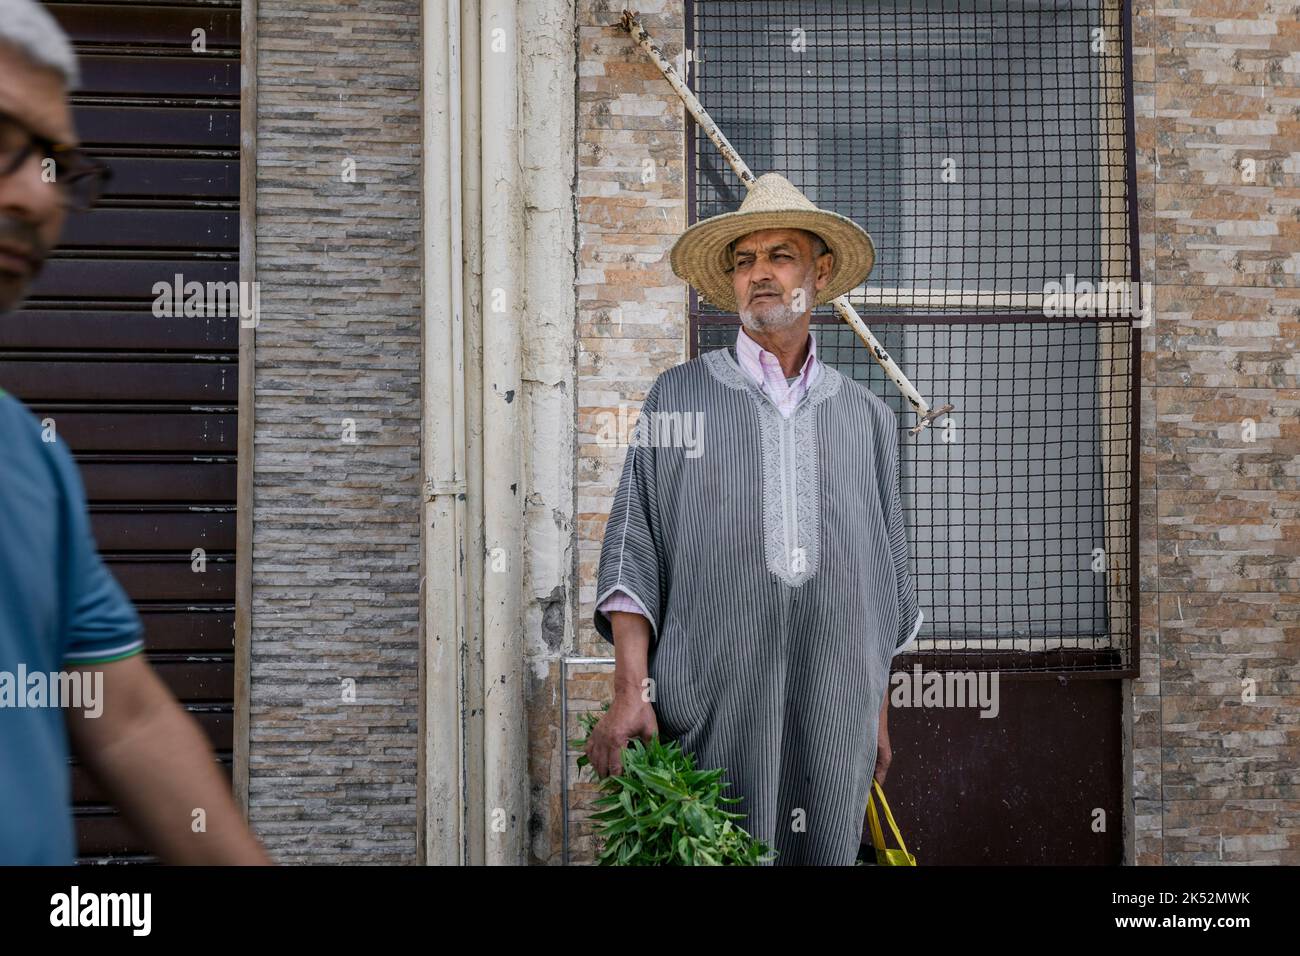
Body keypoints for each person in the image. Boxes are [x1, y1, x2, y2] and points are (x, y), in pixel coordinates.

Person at [585, 172, 923, 865]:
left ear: (819, 274)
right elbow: (632, 552)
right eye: (745, 261)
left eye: (780, 256)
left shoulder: (868, 419)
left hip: (832, 711)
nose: (759, 274)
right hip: (712, 708)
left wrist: (875, 718)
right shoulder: (678, 397)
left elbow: (885, 584)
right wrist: (629, 691)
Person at [0, 0, 271, 864]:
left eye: (57, 165)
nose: (36, 197)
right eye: (6, 140)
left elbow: (125, 718)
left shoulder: (28, 459)